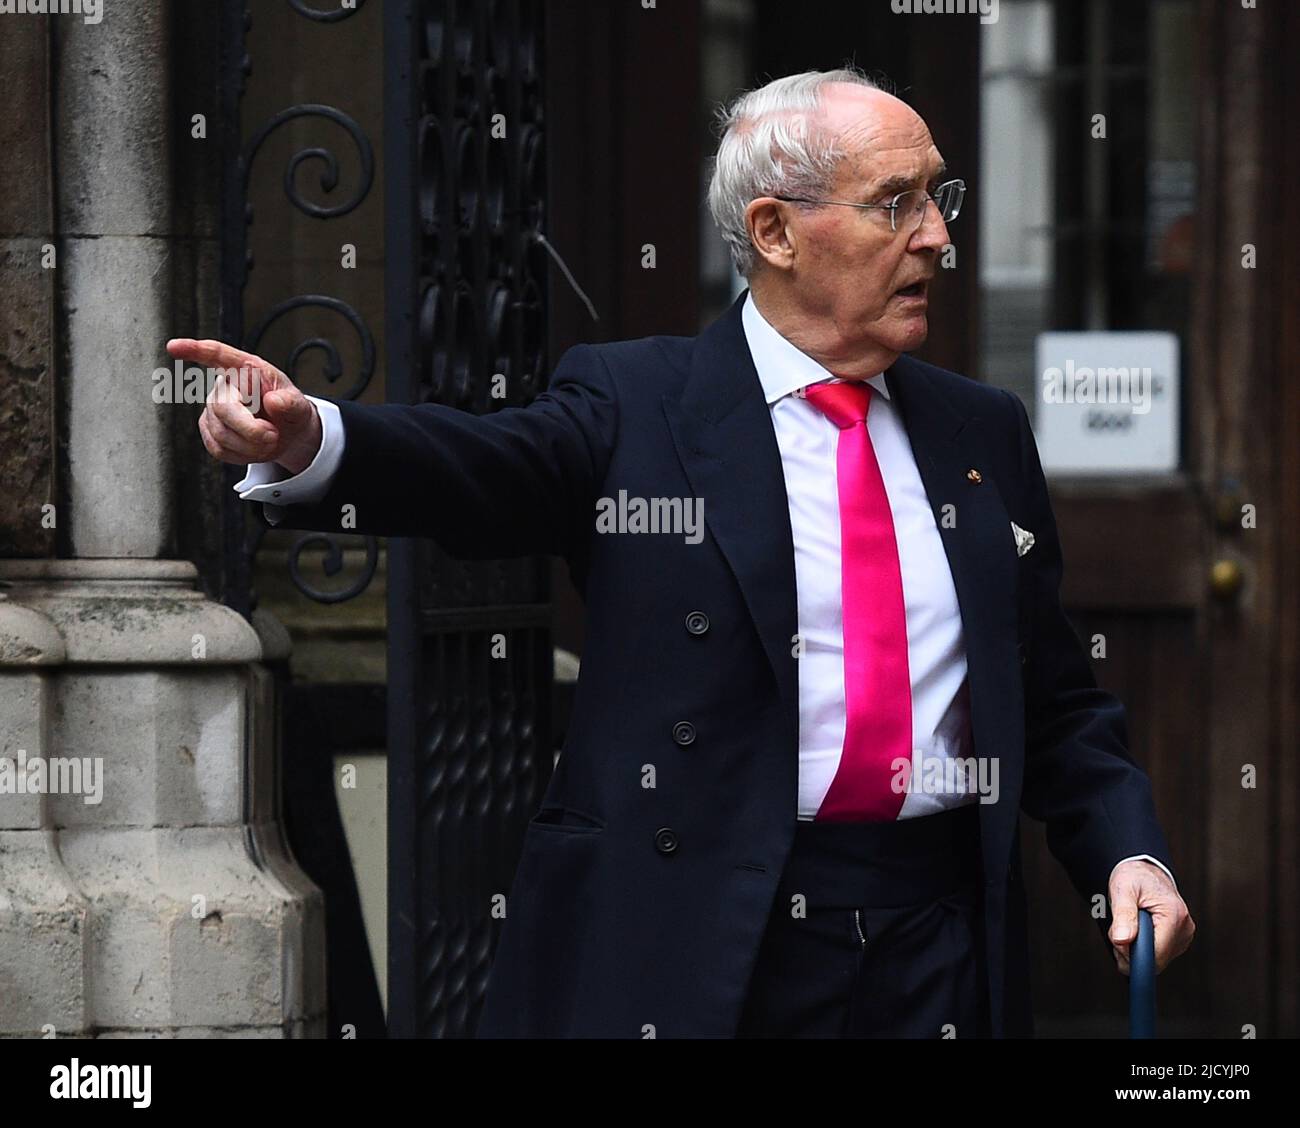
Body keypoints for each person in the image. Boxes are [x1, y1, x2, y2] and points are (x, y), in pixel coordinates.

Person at [171, 67, 1194, 1038]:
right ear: (774, 231)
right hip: (708, 941)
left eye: (939, 199)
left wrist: (1125, 850)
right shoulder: (638, 404)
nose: (935, 239)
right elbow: (480, 463)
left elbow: (1052, 699)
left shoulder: (980, 432)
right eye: (896, 204)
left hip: (935, 946)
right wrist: (313, 440)